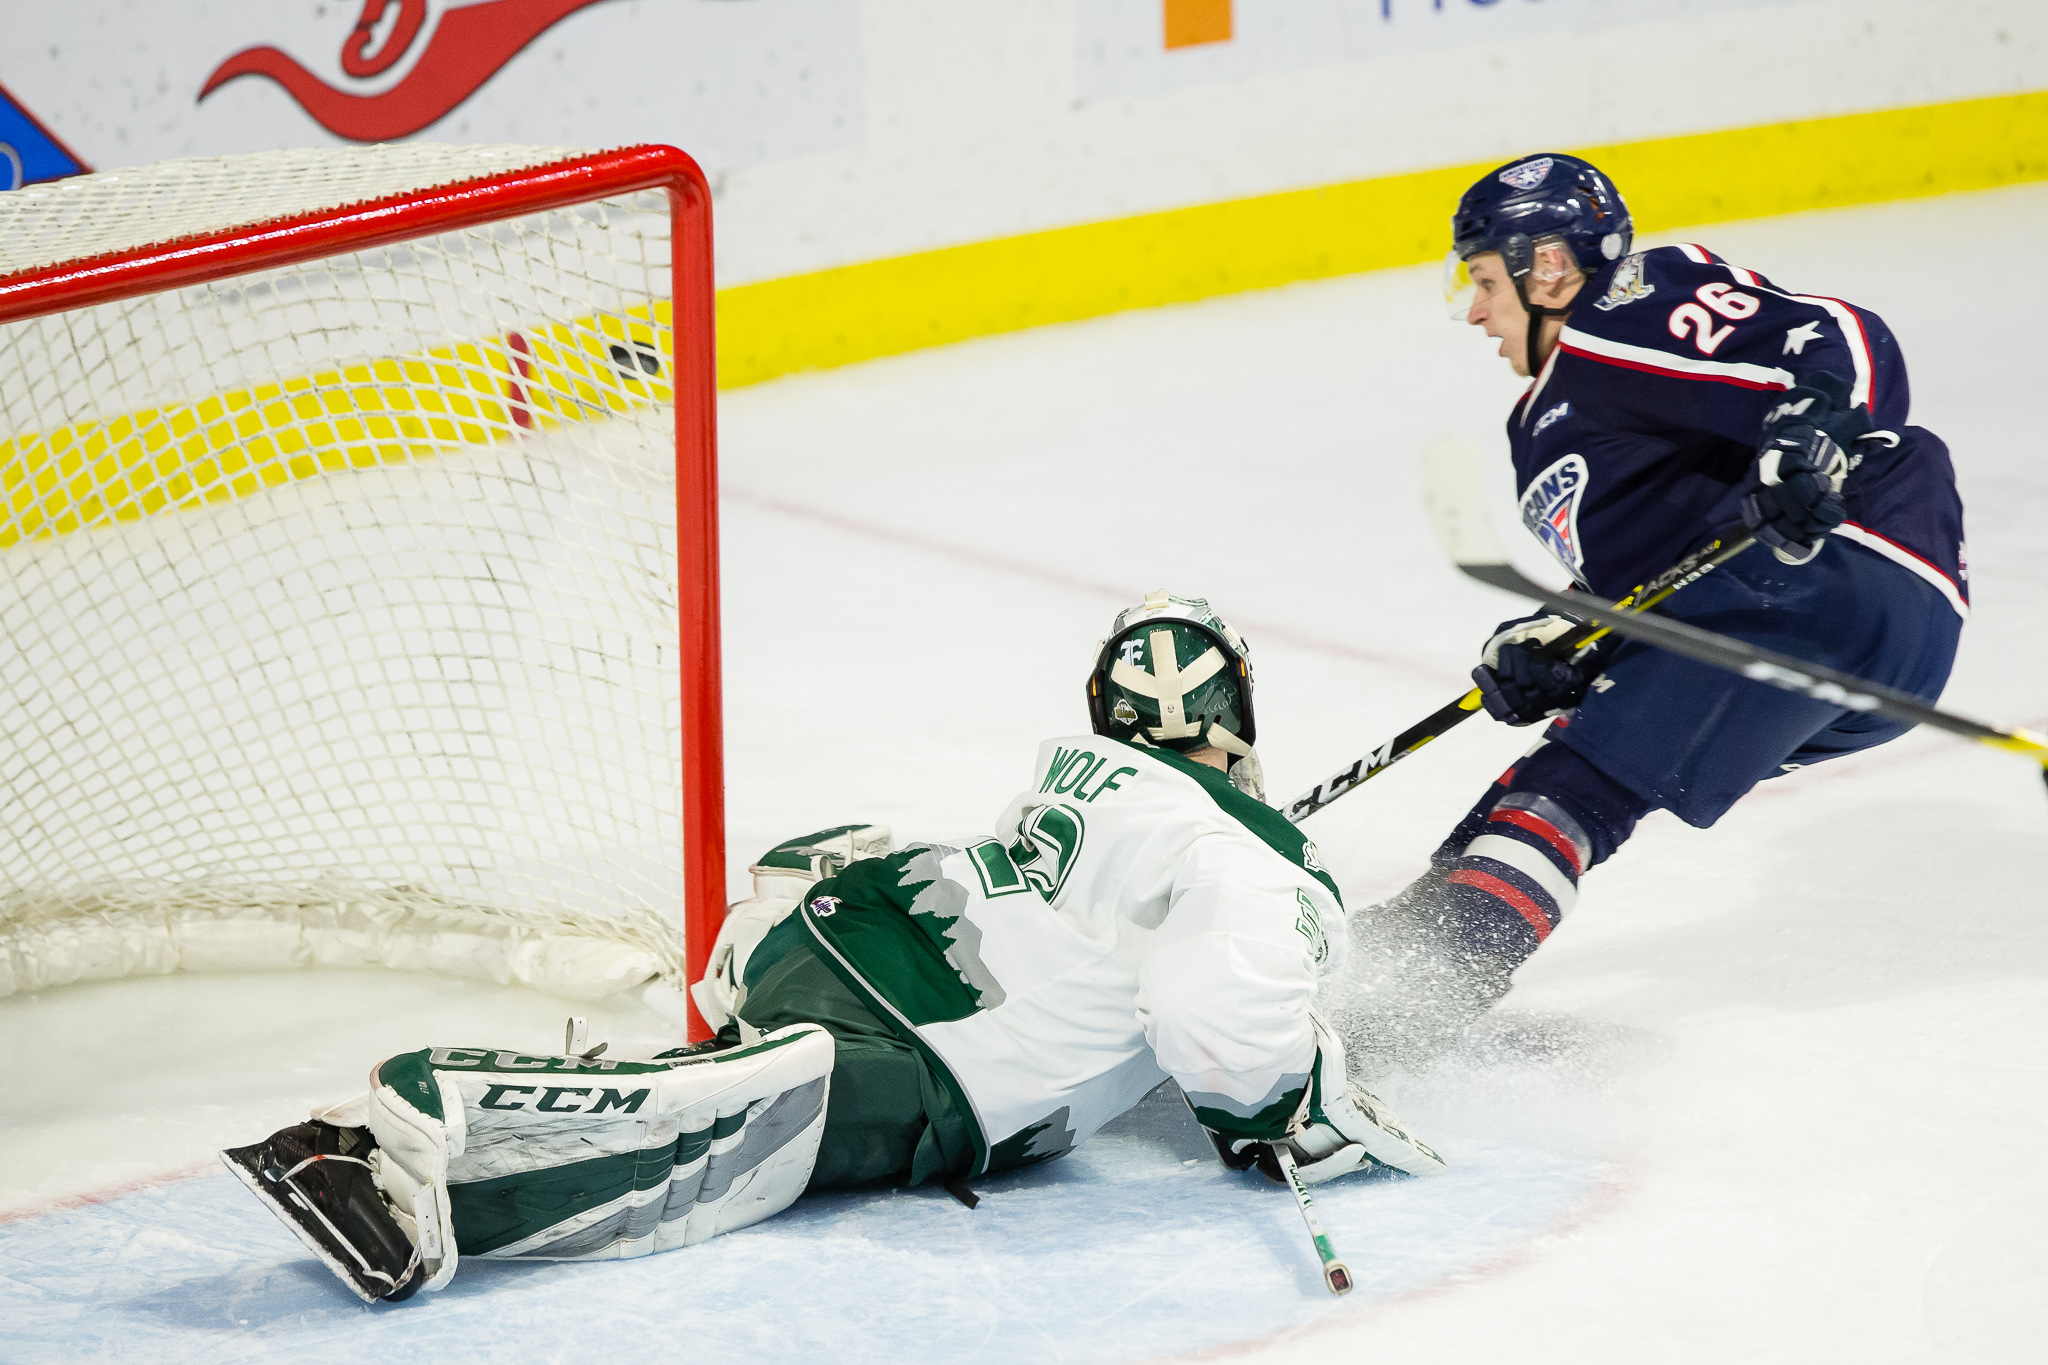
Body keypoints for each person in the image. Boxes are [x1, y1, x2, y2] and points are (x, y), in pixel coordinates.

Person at [222, 591, 1444, 1304]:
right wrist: (1280, 1103)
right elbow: (1219, 1030)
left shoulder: (1092, 775)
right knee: (721, 1143)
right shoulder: (1267, 865)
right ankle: (411, 1140)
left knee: (806, 971)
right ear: (1235, 716)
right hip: (929, 1061)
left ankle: (715, 1023)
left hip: (825, 925)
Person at [1366, 153, 1967, 1058]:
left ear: (1551, 267)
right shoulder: (1552, 419)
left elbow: (1842, 336)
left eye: (1484, 281)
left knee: (1581, 787)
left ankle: (1403, 1013)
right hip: (1851, 643)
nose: (1477, 311)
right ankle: (1401, 948)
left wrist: (1807, 439)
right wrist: (1553, 640)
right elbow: (1651, 577)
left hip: (1839, 569)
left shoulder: (1615, 316)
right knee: (1579, 758)